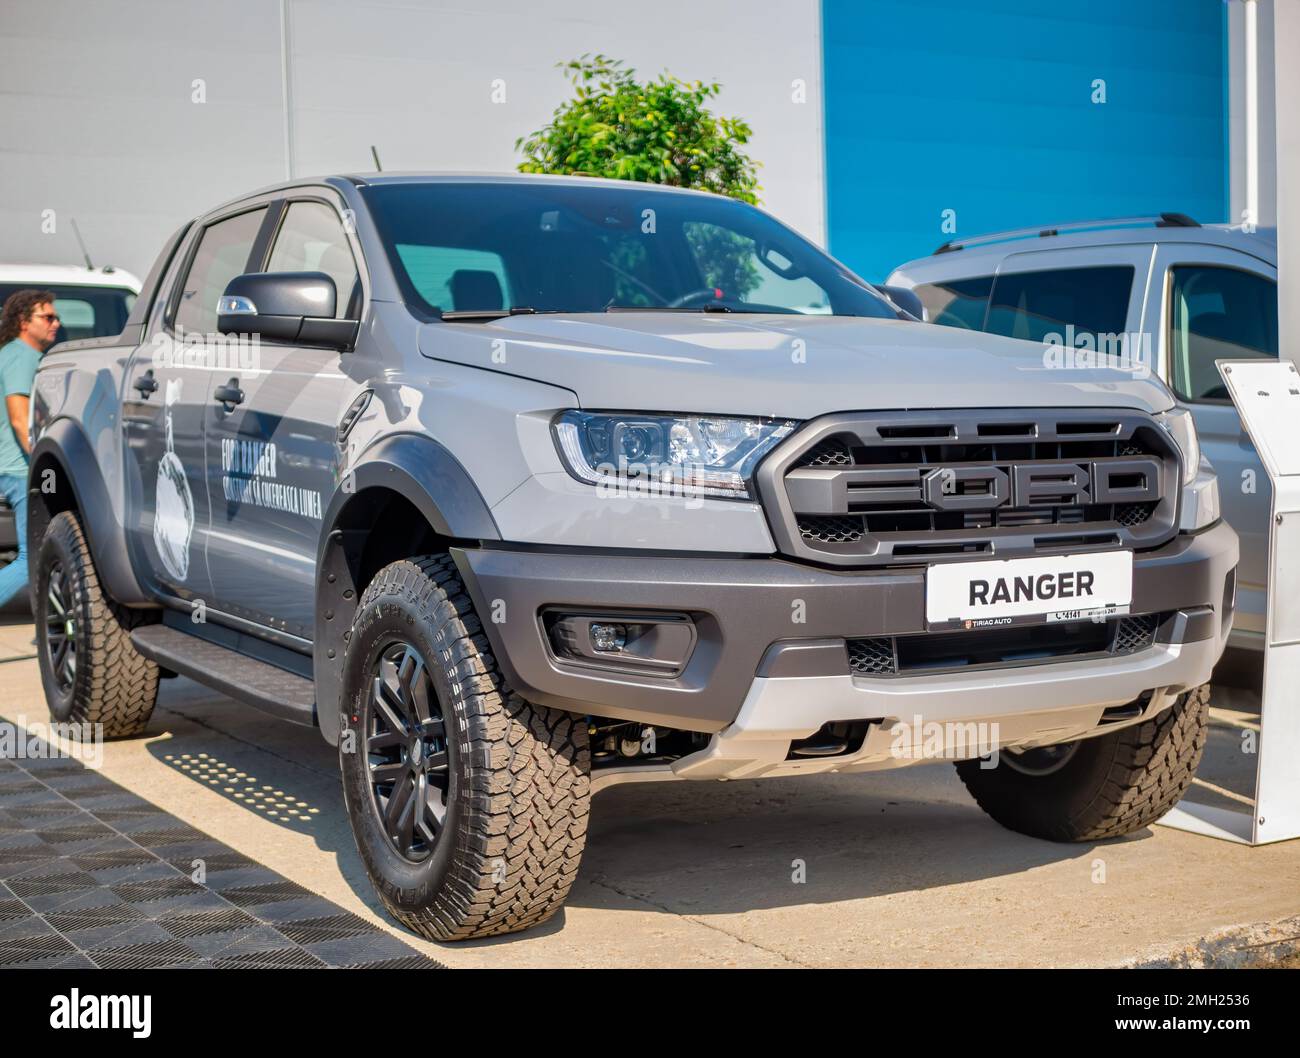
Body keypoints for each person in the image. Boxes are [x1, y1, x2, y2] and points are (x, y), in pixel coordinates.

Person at [0, 289, 59, 608]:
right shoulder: (21, 356)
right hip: (21, 468)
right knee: (31, 555)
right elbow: (20, 418)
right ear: (25, 321)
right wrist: (42, 464)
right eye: (47, 317)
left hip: (16, 466)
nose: (56, 322)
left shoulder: (17, 353)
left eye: (56, 316)